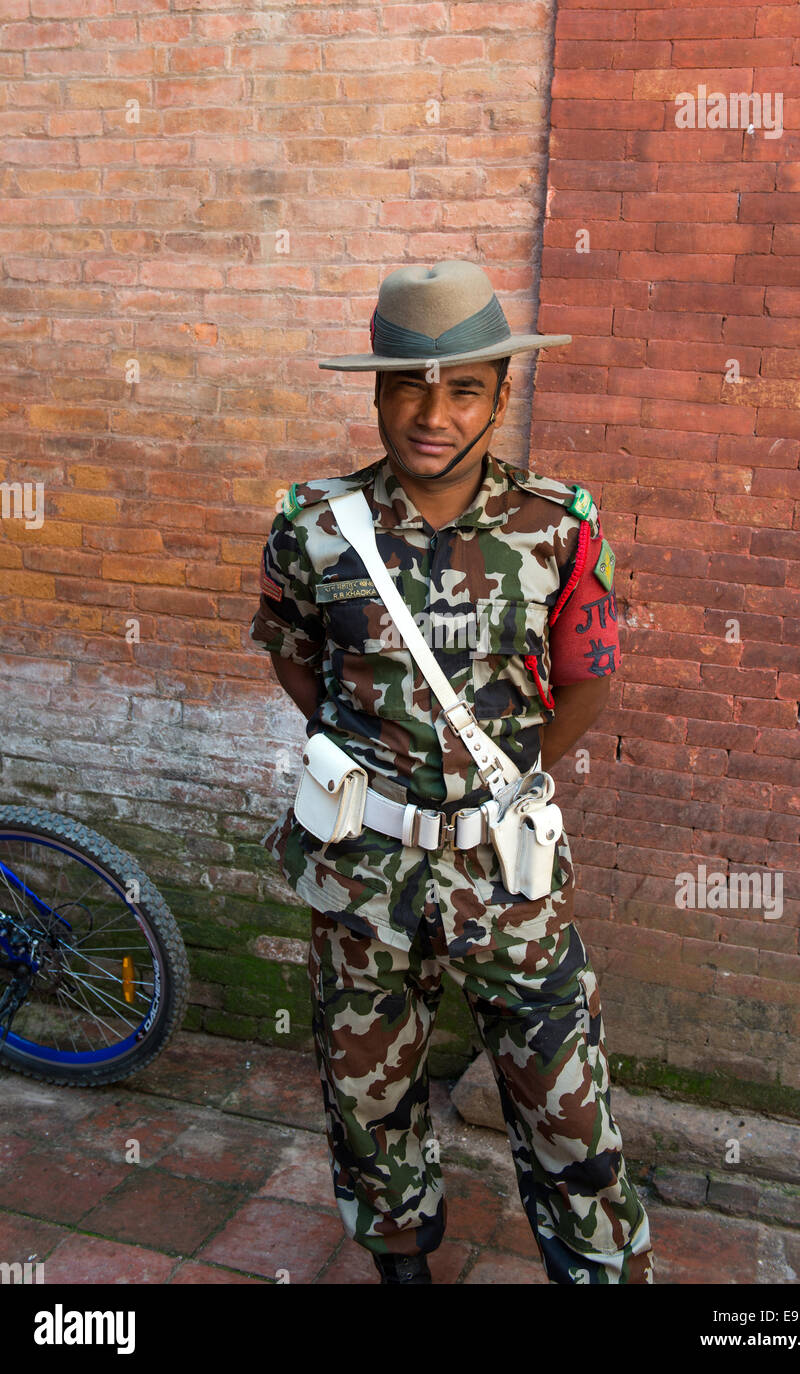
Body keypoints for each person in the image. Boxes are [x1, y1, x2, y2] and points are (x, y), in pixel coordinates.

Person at [249, 260, 654, 1285]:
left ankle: (598, 1267)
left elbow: (588, 684)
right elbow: (298, 661)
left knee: (565, 1093)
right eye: (409, 386)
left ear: (501, 396)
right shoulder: (312, 528)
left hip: (504, 875)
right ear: (377, 392)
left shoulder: (557, 528)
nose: (434, 413)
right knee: (365, 1085)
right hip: (365, 871)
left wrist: (505, 784)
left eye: (463, 387)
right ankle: (401, 1263)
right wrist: (381, 774)